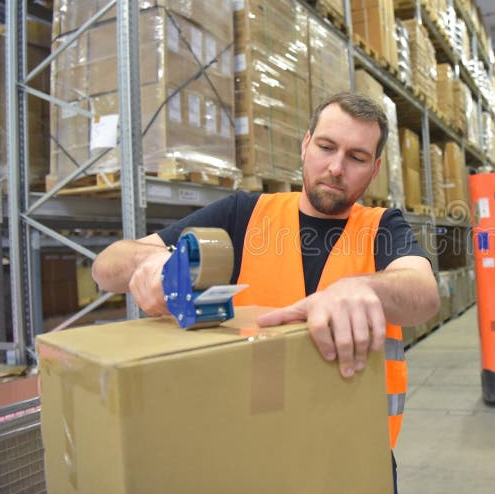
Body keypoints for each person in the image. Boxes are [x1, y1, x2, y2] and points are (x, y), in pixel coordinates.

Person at [91, 92, 440, 493]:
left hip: (356, 453)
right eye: (326, 147)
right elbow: (107, 266)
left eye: (356, 157)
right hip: (253, 450)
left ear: (375, 169)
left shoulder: (383, 227)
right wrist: (149, 262)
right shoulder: (244, 214)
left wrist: (361, 286)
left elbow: (423, 292)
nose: (336, 167)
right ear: (306, 143)